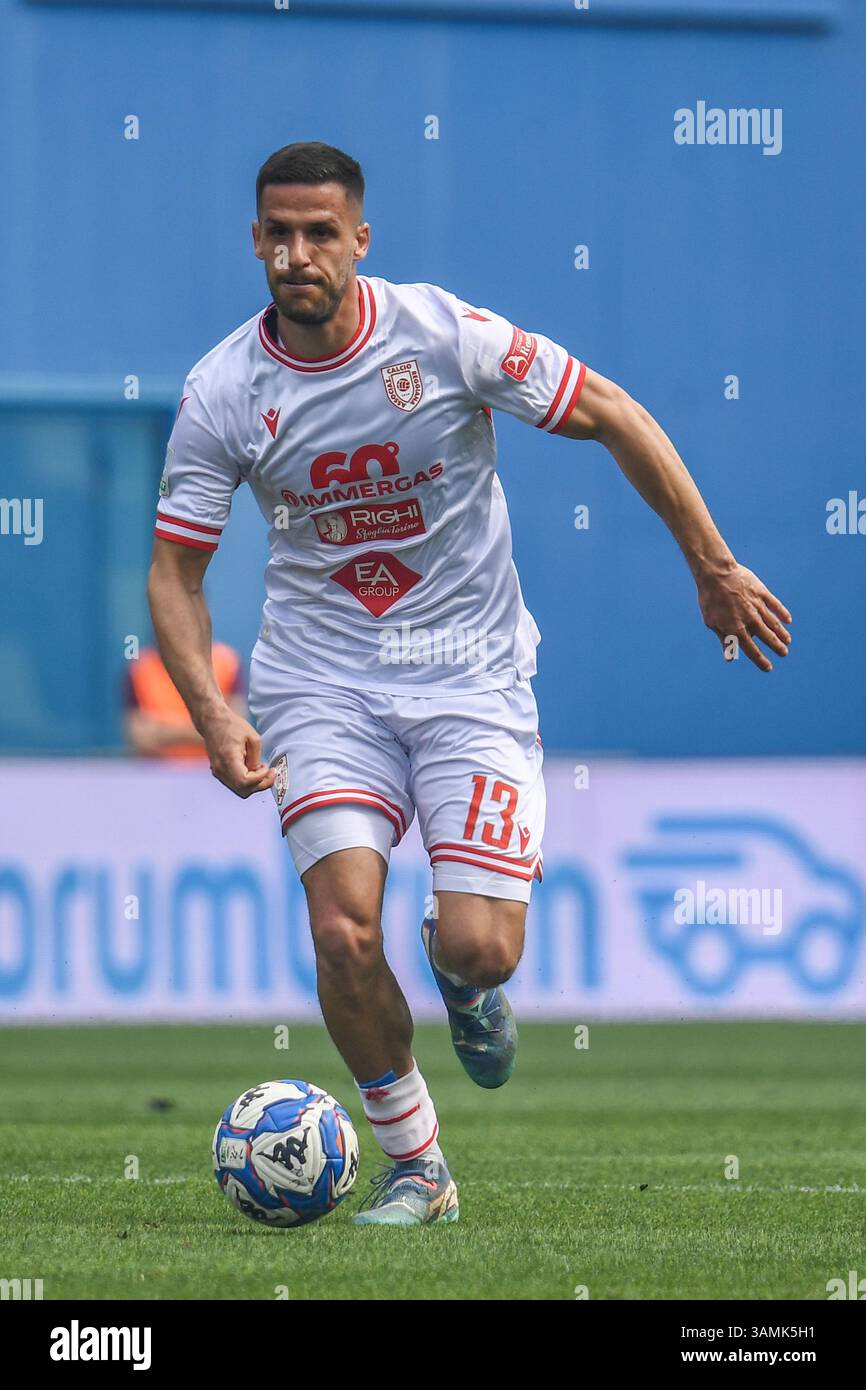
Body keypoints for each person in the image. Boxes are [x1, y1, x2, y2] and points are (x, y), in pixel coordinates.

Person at [147, 141, 792, 1226]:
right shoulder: (223, 392)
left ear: (360, 238)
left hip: (471, 677)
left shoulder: (445, 337)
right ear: (254, 240)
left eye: (320, 232)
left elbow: (611, 414)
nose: (297, 253)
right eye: (277, 232)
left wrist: (711, 563)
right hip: (322, 683)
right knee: (345, 930)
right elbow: (173, 572)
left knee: (479, 943)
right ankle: (419, 1168)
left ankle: (459, 983)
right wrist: (214, 713)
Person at [124, 641, 245, 760]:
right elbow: (142, 738)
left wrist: (163, 731)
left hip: (214, 771)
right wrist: (209, 728)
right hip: (159, 771)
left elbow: (232, 735)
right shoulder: (140, 667)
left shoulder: (227, 662)